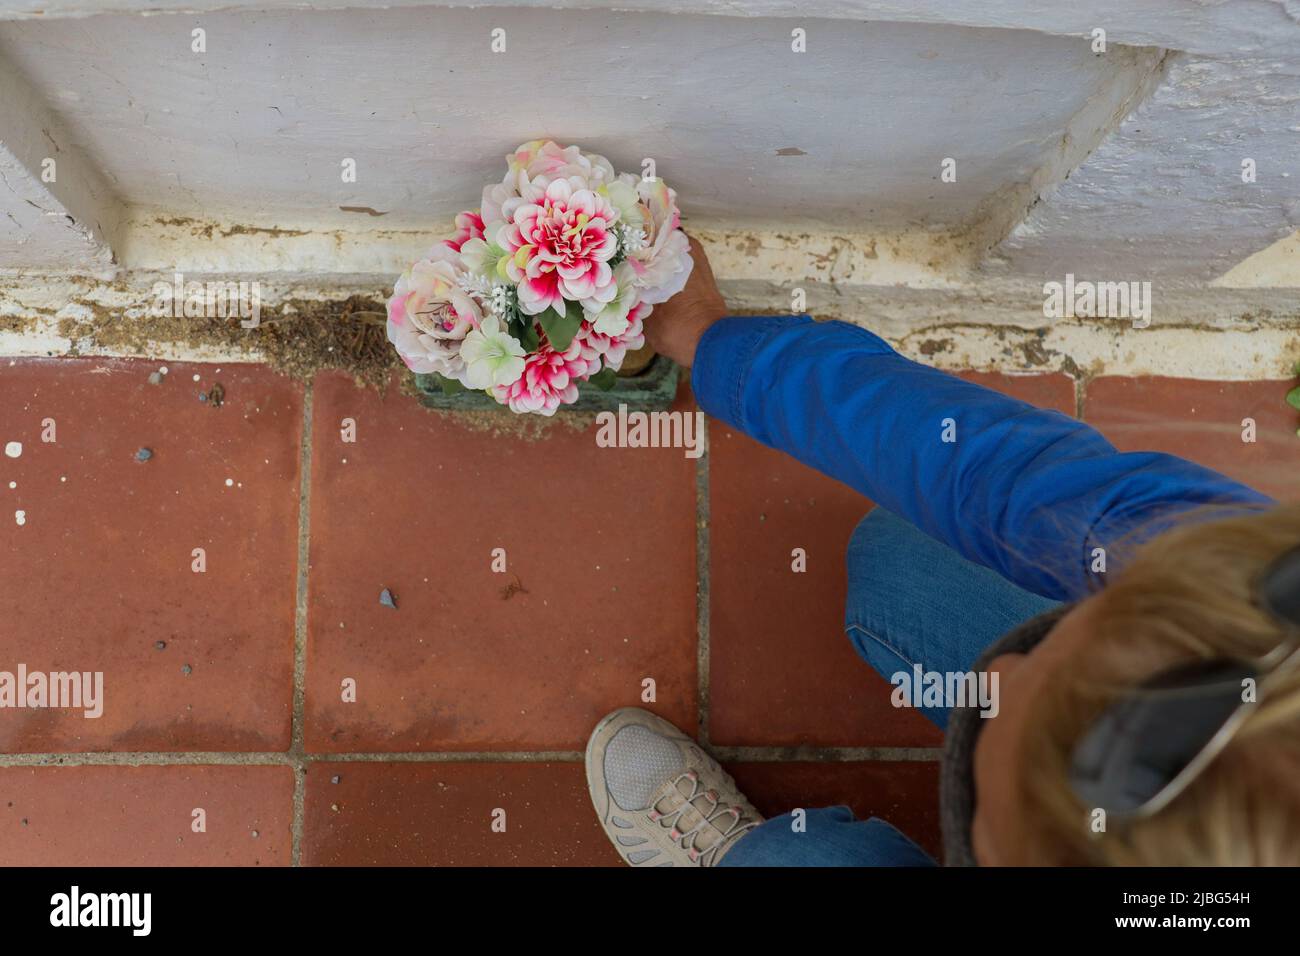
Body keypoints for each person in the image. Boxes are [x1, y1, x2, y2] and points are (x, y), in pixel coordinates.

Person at [584, 237, 1300, 867]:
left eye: (993, 800)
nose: (1006, 668)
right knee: (909, 560)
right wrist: (717, 342)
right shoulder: (1245, 590)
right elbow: (989, 473)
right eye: (1093, 625)